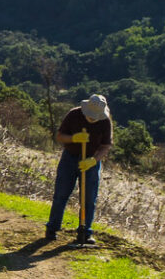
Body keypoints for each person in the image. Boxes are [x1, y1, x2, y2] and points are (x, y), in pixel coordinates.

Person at [43, 94, 114, 245]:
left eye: (96, 117)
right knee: (61, 194)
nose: (93, 119)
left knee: (89, 199)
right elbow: (60, 136)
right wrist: (74, 138)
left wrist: (94, 160)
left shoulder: (105, 122)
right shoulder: (74, 114)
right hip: (69, 159)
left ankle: (85, 232)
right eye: (91, 116)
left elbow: (106, 145)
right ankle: (52, 228)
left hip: (90, 162)